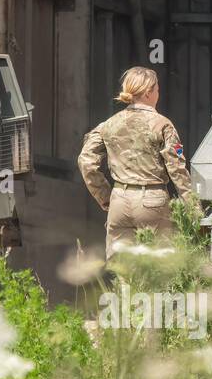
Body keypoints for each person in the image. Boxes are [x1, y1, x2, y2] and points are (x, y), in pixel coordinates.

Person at [77, 67, 193, 258]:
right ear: (148, 92)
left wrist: (105, 196)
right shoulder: (163, 124)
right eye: (157, 89)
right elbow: (177, 168)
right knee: (159, 267)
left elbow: (86, 160)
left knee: (122, 268)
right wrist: (192, 207)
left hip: (119, 201)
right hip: (152, 201)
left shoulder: (108, 124)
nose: (158, 93)